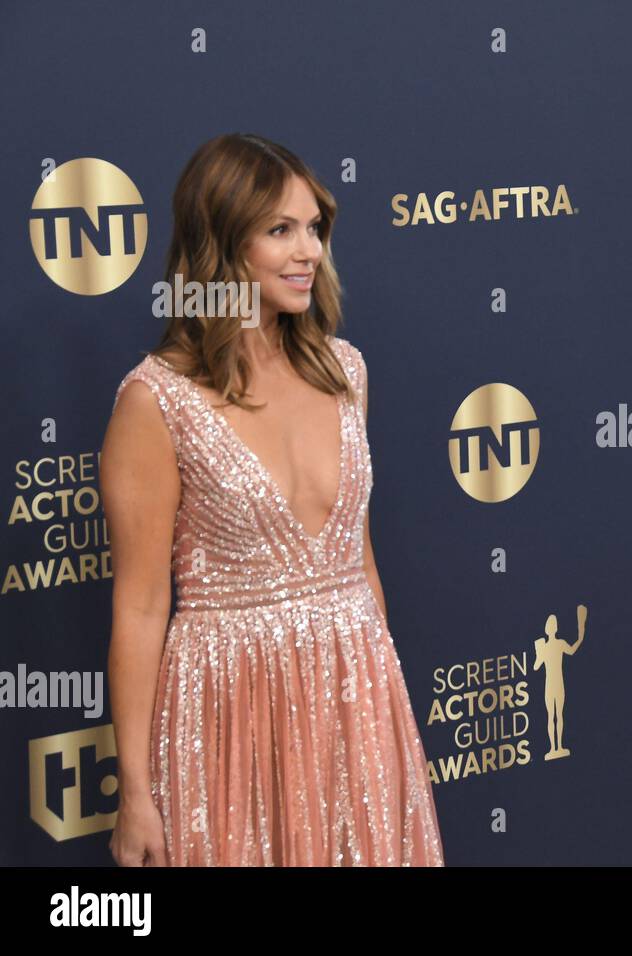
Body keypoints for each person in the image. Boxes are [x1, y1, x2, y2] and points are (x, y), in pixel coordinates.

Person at [101, 133, 444, 866]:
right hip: (230, 720)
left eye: (314, 227)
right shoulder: (155, 401)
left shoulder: (344, 371)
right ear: (222, 245)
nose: (309, 251)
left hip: (357, 698)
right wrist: (135, 792)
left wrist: (382, 712)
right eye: (280, 230)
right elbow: (137, 608)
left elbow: (361, 562)